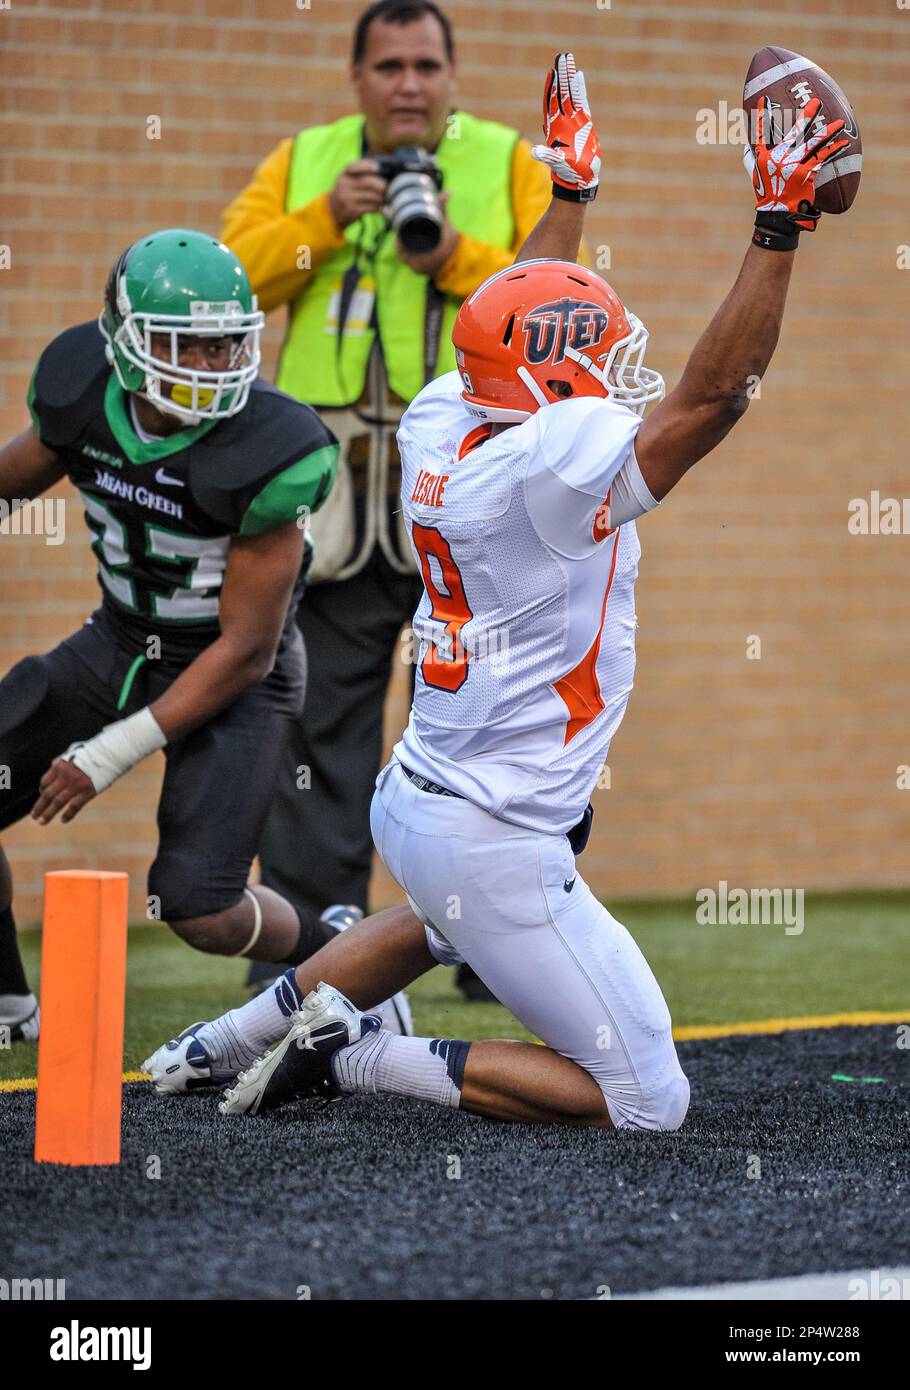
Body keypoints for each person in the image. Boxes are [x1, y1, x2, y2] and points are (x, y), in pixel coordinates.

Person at [144, 57, 848, 1130]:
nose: (619, 379)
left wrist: (566, 199)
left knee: (440, 916)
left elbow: (508, 319)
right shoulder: (547, 474)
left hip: (428, 792)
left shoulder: (448, 418)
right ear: (554, 390)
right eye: (602, 363)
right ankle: (356, 1061)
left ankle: (222, 1040)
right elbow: (710, 400)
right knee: (648, 1100)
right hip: (496, 830)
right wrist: (775, 224)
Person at [0, 228, 410, 1043]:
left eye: (228, 342)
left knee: (200, 906)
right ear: (126, 341)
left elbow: (248, 648)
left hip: (236, 676)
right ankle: (9, 1008)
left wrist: (108, 753)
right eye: (189, 343)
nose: (216, 363)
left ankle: (356, 962)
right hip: (118, 640)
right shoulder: (81, 385)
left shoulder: (272, 448)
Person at [220, 0, 551, 999]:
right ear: (357, 77)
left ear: (452, 76)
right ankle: (315, 954)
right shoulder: (305, 160)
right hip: (337, 506)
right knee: (316, 728)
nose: (408, 84)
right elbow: (232, 285)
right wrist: (328, 219)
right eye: (389, 65)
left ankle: (504, 948)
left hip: (476, 492)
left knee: (493, 719)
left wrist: (450, 254)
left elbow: (553, 293)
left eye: (426, 65)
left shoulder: (507, 164)